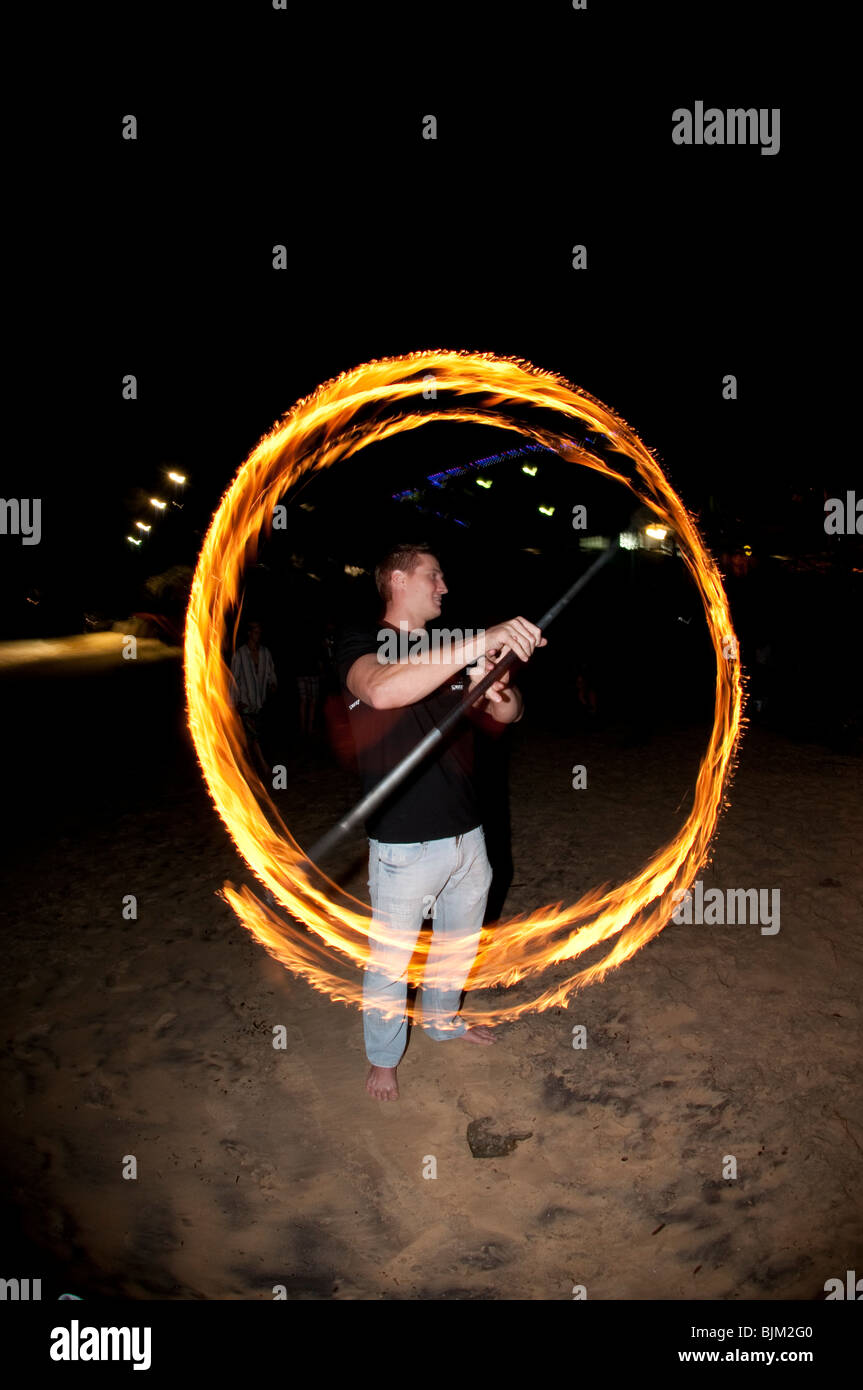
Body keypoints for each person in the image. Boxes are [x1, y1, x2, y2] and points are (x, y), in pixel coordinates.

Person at [335, 544, 546, 1101]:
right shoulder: (358, 643)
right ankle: (383, 1059)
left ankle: (443, 1021)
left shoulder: (448, 651)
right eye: (435, 575)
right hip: (404, 843)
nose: (445, 587)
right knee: (391, 963)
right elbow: (381, 690)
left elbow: (508, 714)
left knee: (457, 945)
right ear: (398, 579)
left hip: (467, 834)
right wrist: (480, 639)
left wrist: (500, 691)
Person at [230, 620, 277, 778]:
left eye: (259, 632)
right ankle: (263, 766)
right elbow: (234, 680)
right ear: (249, 633)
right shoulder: (240, 655)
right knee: (254, 735)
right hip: (245, 703)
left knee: (254, 737)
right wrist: (234, 702)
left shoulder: (265, 653)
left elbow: (271, 672)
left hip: (260, 702)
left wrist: (272, 684)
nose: (258, 635)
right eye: (255, 632)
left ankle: (247, 766)